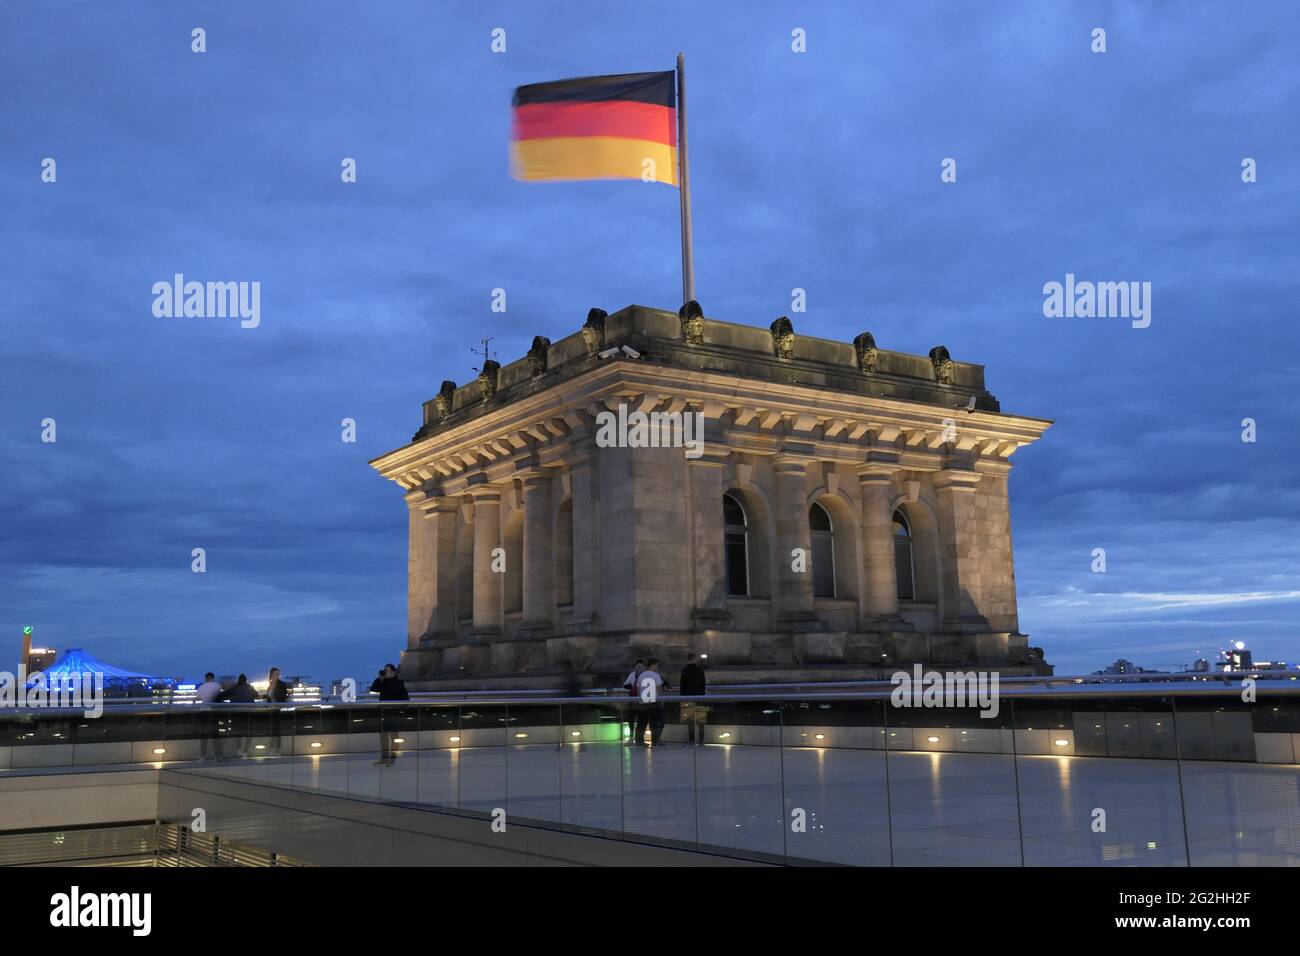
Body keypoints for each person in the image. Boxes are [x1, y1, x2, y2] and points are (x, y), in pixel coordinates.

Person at [370, 664, 409, 765]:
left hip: (394, 713)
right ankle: (384, 758)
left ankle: (392, 758)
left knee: (394, 737)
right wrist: (379, 678)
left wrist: (401, 710)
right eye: (384, 670)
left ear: (393, 671)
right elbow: (373, 688)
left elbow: (405, 697)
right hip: (382, 712)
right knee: (383, 736)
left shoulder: (399, 682)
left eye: (386, 670)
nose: (385, 672)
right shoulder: (383, 682)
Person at [634, 659, 670, 746]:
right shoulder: (656, 675)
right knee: (654, 723)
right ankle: (655, 740)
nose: (657, 667)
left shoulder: (641, 676)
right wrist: (661, 701)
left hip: (642, 703)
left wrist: (639, 701)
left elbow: (638, 690)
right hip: (654, 703)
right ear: (653, 665)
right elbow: (659, 689)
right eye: (657, 665)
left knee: (641, 723)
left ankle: (639, 741)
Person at [679, 653, 708, 745]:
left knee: (690, 721)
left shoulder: (684, 671)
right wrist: (702, 695)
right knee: (701, 721)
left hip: (687, 697)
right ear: (695, 659)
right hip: (699, 697)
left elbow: (682, 686)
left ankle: (692, 740)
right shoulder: (700, 670)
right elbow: (703, 684)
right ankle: (701, 740)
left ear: (688, 659)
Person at [195, 672, 222, 759]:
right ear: (213, 678)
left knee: (204, 734)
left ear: (206, 679)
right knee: (215, 734)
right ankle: (217, 755)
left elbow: (197, 698)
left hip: (204, 712)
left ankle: (202, 756)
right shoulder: (218, 686)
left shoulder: (201, 686)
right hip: (214, 712)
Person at [622, 659, 645, 744]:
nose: (638, 668)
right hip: (633, 700)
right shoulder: (632, 675)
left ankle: (639, 738)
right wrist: (632, 687)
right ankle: (631, 737)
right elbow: (625, 685)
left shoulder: (645, 676)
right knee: (631, 719)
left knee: (641, 720)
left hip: (642, 701)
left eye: (640, 666)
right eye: (637, 666)